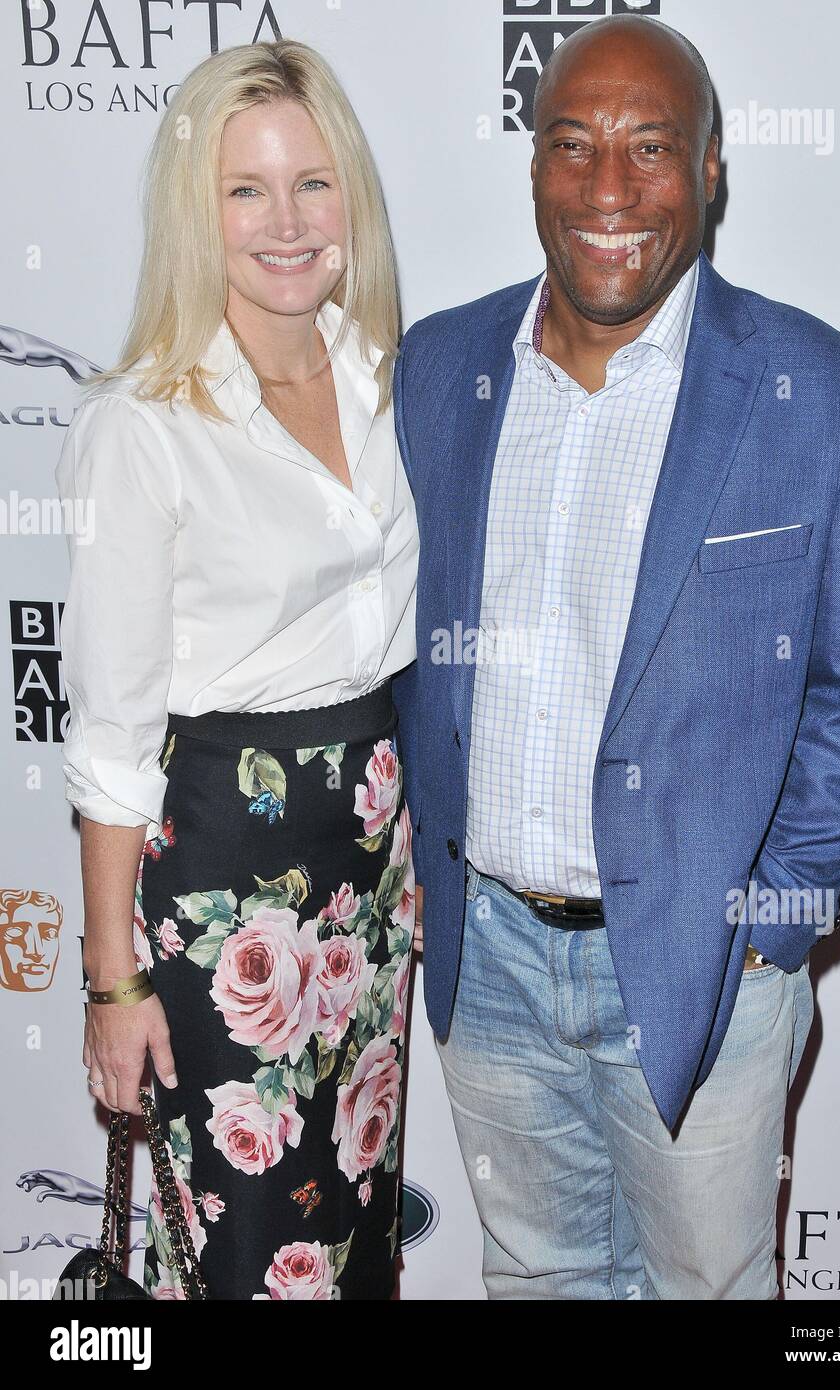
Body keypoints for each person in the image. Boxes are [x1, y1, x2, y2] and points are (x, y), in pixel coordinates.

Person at [390, 15, 840, 1299]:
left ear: (712, 167)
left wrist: (771, 916)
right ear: (533, 167)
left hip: (707, 965)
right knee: (536, 1274)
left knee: (707, 1287)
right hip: (490, 953)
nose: (610, 190)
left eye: (651, 148)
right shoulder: (437, 367)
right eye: (573, 146)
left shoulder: (835, 397)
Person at [56, 39, 419, 1301]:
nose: (286, 221)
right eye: (245, 189)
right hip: (223, 890)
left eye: (312, 184)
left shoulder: (388, 376)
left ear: (350, 200)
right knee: (251, 1251)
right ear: (193, 212)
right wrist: (113, 982)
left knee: (355, 1221)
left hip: (373, 878)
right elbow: (107, 742)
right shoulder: (140, 425)